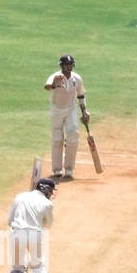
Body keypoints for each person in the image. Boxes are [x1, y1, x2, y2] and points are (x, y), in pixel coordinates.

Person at [7, 175, 55, 273]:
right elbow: (49, 224)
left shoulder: (19, 197)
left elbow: (10, 220)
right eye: (51, 191)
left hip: (16, 232)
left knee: (18, 265)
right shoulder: (47, 204)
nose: (51, 194)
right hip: (35, 234)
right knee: (38, 265)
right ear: (46, 190)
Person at [45, 52, 88, 181]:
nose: (67, 67)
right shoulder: (55, 76)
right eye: (65, 64)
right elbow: (46, 86)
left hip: (71, 109)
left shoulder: (77, 78)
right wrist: (54, 84)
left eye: (69, 64)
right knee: (57, 138)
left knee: (73, 135)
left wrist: (84, 111)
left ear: (72, 65)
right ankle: (57, 169)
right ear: (61, 65)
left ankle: (69, 169)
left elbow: (81, 95)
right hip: (56, 110)